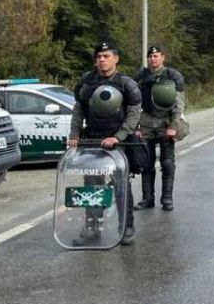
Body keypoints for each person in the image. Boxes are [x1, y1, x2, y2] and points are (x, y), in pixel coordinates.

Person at [67, 42, 142, 246]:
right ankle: (92, 228)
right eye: (99, 56)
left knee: (120, 186)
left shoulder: (126, 84)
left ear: (116, 59)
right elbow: (79, 110)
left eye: (106, 56)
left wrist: (118, 136)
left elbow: (134, 114)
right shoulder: (86, 82)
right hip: (92, 141)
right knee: (92, 187)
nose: (102, 59)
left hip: (118, 143)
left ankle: (126, 227)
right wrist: (74, 135)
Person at [133, 45, 185, 211]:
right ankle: (147, 198)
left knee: (168, 162)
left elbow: (179, 103)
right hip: (146, 121)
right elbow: (133, 102)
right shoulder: (141, 76)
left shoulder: (172, 75)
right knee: (146, 163)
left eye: (156, 56)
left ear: (163, 57)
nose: (153, 59)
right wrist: (136, 126)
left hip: (166, 122)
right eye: (150, 56)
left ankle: (167, 198)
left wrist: (174, 125)